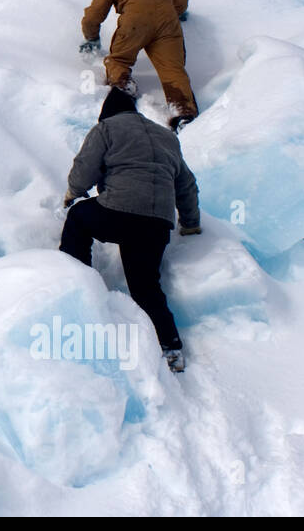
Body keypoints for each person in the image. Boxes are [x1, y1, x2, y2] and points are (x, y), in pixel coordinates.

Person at [59, 86, 201, 373]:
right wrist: (190, 223)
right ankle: (171, 346)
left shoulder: (106, 129)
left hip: (118, 213)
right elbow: (186, 185)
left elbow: (85, 168)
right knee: (146, 286)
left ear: (106, 113)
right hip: (157, 223)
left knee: (79, 217)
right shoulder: (166, 137)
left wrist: (73, 193)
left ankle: (74, 283)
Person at [80, 0, 198, 132]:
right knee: (173, 70)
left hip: (135, 21)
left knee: (119, 60)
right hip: (168, 24)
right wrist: (176, 12)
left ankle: (124, 85)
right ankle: (183, 112)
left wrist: (91, 38)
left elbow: (94, 15)